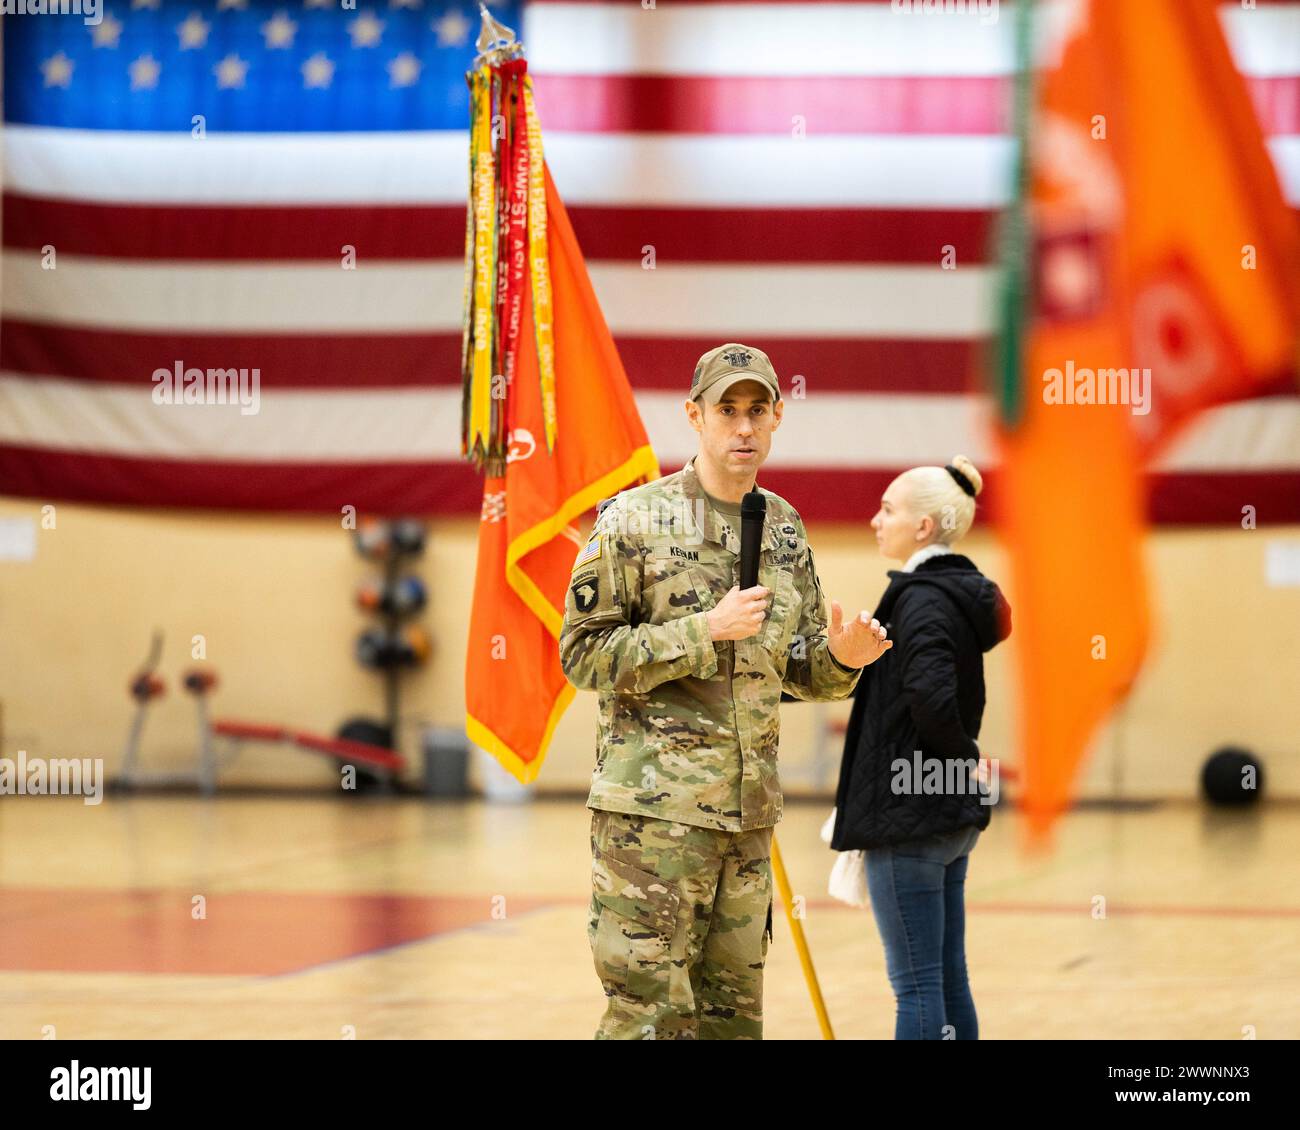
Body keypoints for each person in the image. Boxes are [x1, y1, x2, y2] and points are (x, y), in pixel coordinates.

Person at [559, 342, 893, 1040]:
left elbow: (797, 671)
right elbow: (583, 656)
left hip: (747, 822)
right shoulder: (633, 522)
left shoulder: (784, 527)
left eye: (757, 411)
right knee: (649, 1020)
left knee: (732, 1023)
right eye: (727, 410)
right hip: (653, 824)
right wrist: (700, 632)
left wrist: (843, 659)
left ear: (777, 418)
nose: (743, 427)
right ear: (695, 416)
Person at [829, 455, 1012, 1040]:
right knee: (945, 978)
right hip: (939, 809)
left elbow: (932, 700)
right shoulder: (951, 594)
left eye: (889, 509)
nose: (876, 520)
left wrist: (961, 770)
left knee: (916, 987)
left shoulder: (922, 599)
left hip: (911, 813)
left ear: (925, 527)